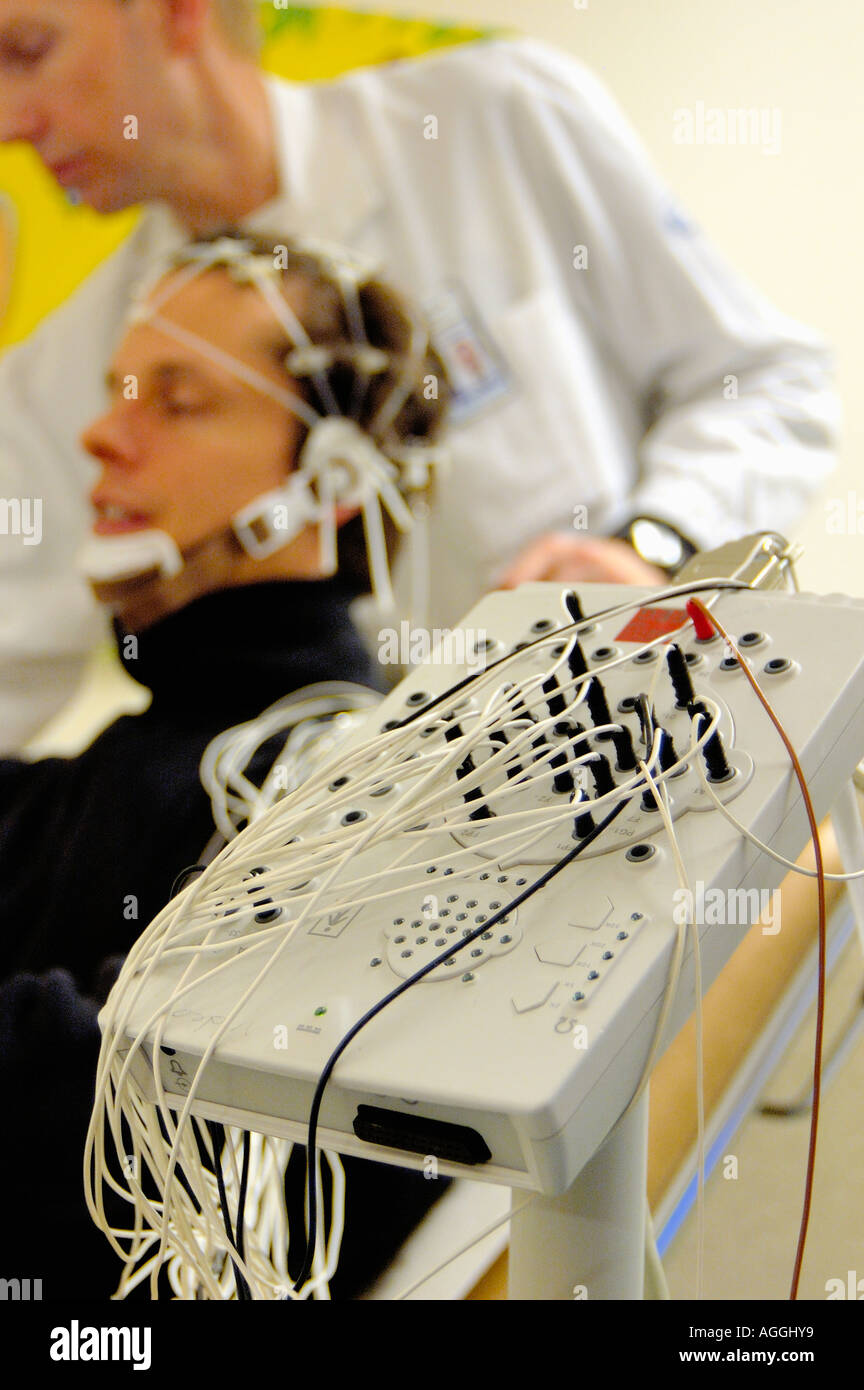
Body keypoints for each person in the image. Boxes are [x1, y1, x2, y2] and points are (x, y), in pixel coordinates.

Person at [0, 0, 838, 752]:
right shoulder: (78, 371)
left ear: (176, 12)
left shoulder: (498, 122)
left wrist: (650, 545)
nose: (6, 120)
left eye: (28, 50)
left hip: (674, 738)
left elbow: (766, 381)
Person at [0, 231, 451, 1299]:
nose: (104, 435)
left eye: (179, 399)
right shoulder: (102, 770)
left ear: (334, 478)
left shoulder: (351, 793)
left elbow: (110, 1112)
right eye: (117, 391)